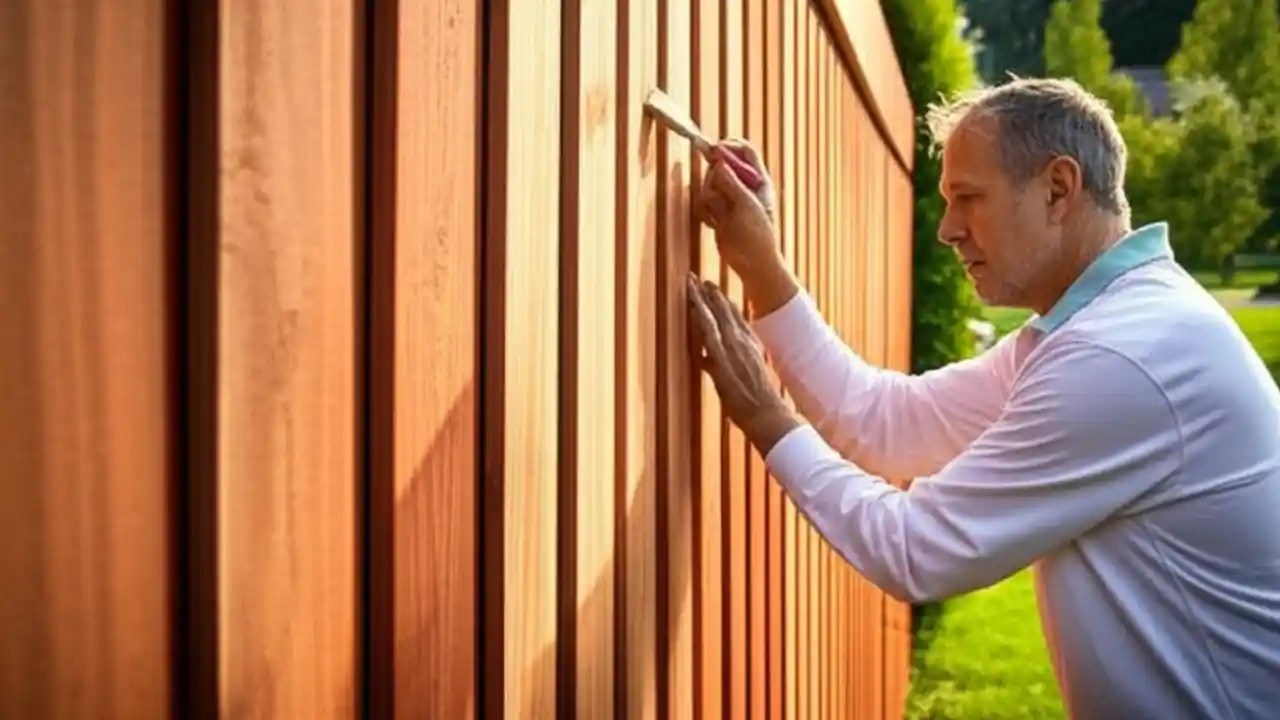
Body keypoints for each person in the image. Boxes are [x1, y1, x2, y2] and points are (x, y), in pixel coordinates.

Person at [687, 77, 1280, 719]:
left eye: (968, 198)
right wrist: (763, 268)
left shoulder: (1124, 357)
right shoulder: (1099, 329)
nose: (946, 230)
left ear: (1058, 189)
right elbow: (887, 423)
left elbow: (914, 552)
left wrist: (764, 415)